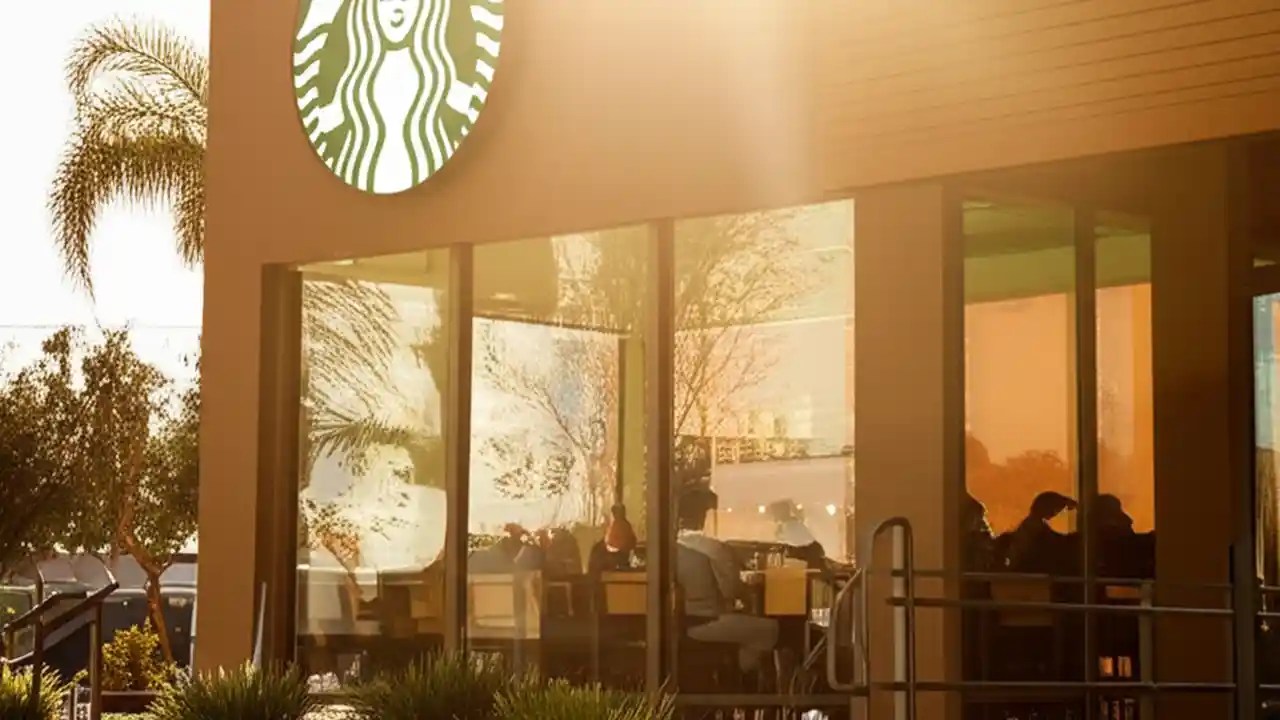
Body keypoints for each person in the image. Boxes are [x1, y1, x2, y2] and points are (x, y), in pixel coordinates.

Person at [677, 485, 780, 674]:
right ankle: (739, 680)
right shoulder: (714, 549)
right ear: (706, 517)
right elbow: (731, 591)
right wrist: (748, 588)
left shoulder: (669, 546)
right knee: (769, 630)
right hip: (707, 620)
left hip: (678, 623)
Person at [1003, 491, 1078, 574]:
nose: (1055, 513)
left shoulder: (1033, 523)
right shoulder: (1034, 525)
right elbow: (1056, 542)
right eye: (1055, 510)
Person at [767, 499, 829, 574]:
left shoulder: (790, 526)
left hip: (807, 557)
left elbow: (792, 544)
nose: (772, 515)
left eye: (774, 512)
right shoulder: (788, 525)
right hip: (808, 555)